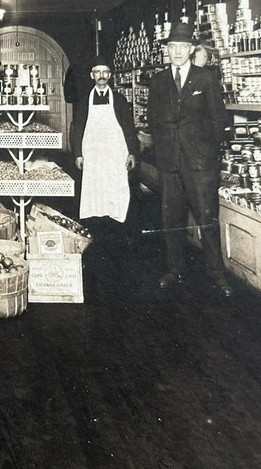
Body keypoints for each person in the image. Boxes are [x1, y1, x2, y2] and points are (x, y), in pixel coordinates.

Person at [146, 22, 234, 296]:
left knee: (207, 219)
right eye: (172, 47)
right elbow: (153, 120)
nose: (177, 52)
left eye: (183, 47)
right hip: (170, 164)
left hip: (200, 165)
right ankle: (175, 271)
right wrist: (164, 153)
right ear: (167, 50)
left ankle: (217, 275)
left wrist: (208, 154)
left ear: (191, 49)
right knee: (171, 220)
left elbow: (219, 120)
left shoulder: (205, 78)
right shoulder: (158, 81)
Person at [69, 56, 139, 244]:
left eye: (105, 72)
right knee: (95, 190)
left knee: (116, 189)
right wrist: (78, 154)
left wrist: (132, 151)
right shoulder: (84, 101)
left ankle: (116, 229)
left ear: (110, 75)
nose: (101, 76)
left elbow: (128, 127)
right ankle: (97, 229)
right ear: (92, 75)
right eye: (97, 72)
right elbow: (77, 128)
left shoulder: (119, 99)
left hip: (115, 153)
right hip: (93, 154)